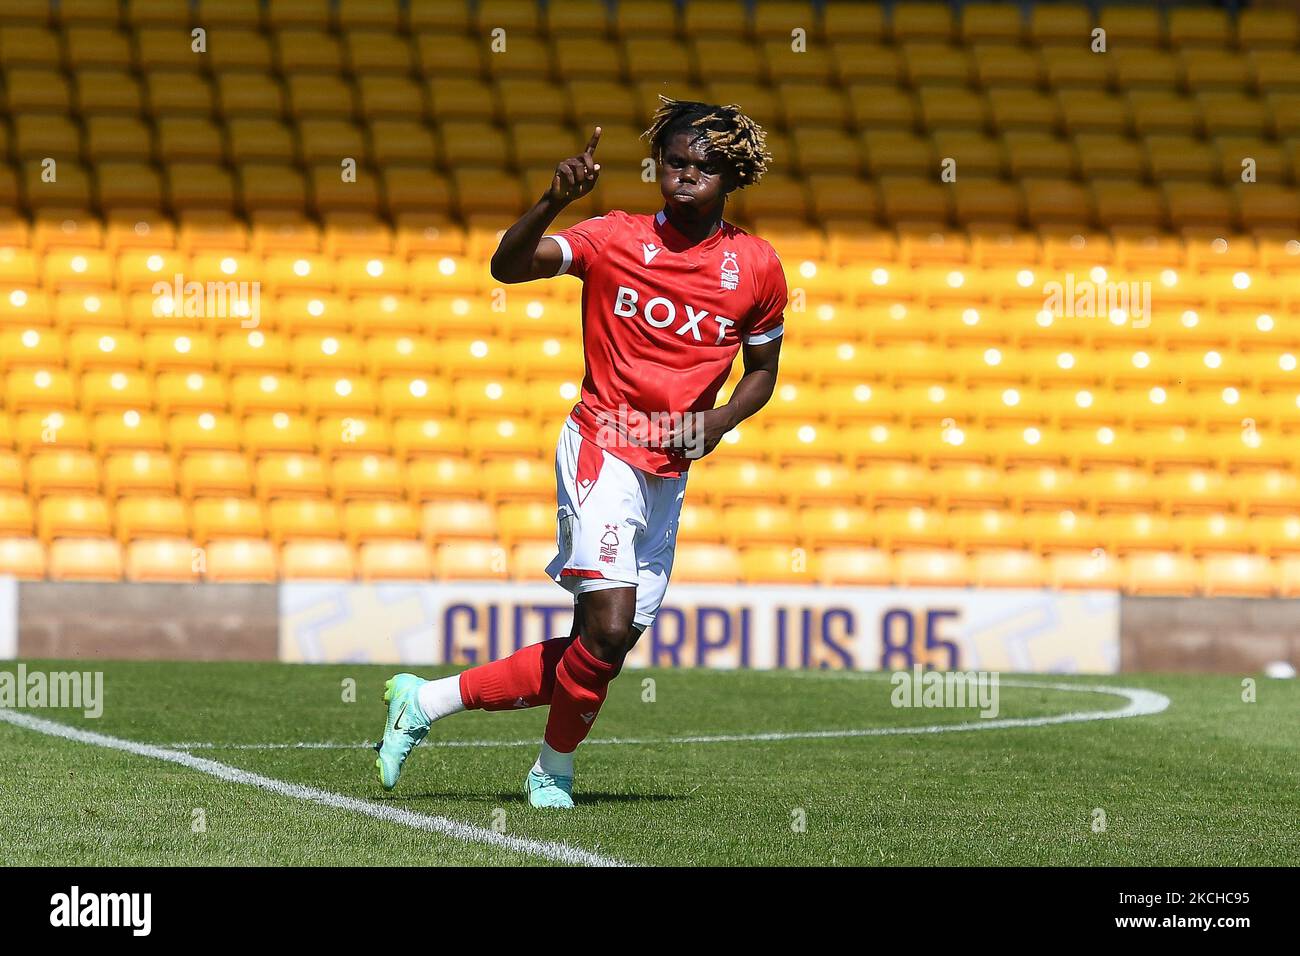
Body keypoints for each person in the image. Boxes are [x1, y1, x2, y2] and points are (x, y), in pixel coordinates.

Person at [375, 97, 788, 808]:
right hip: (602, 443)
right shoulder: (612, 236)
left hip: (670, 469)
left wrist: (718, 422)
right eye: (674, 161)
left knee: (601, 650)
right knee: (605, 626)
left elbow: (762, 374)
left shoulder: (755, 266)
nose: (684, 174)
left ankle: (424, 701)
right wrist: (550, 200)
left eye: (703, 166)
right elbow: (508, 267)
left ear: (731, 176)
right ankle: (551, 774)